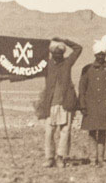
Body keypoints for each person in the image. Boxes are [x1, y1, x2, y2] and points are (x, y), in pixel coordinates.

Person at [35, 37, 83, 168]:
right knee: (49, 132)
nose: (58, 56)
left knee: (65, 131)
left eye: (60, 53)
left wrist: (64, 41)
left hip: (65, 103)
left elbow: (78, 48)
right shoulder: (46, 64)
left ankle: (61, 157)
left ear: (63, 54)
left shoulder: (67, 63)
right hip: (50, 104)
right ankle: (50, 157)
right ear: (51, 54)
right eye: (55, 54)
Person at [78, 35, 106, 167]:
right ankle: (92, 159)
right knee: (92, 132)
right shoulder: (87, 69)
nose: (101, 57)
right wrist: (82, 105)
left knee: (102, 132)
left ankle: (101, 158)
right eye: (98, 54)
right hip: (91, 106)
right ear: (95, 54)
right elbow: (82, 88)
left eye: (103, 54)